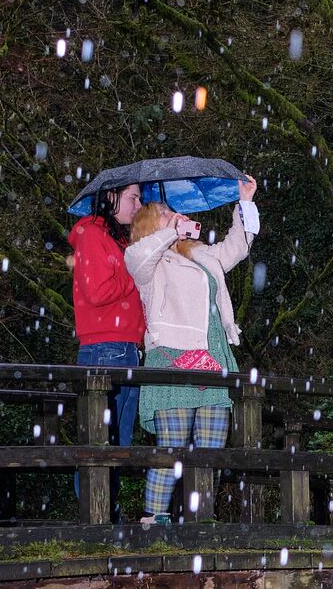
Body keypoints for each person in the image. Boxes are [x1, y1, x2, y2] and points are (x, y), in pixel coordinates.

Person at [125, 174, 259, 524]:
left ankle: (201, 521)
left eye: (173, 212)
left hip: (213, 359)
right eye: (164, 213)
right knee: (171, 450)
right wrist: (170, 231)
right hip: (173, 360)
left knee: (210, 451)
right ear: (150, 225)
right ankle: (154, 521)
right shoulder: (150, 266)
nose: (175, 216)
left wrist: (244, 203)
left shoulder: (199, 254)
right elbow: (137, 257)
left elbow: (237, 248)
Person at [68, 182, 145, 445]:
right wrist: (133, 273)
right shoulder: (92, 233)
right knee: (102, 444)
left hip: (126, 347)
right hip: (106, 348)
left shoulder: (117, 238)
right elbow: (97, 292)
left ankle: (109, 475)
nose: (139, 205)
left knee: (119, 445)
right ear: (111, 196)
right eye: (133, 198)